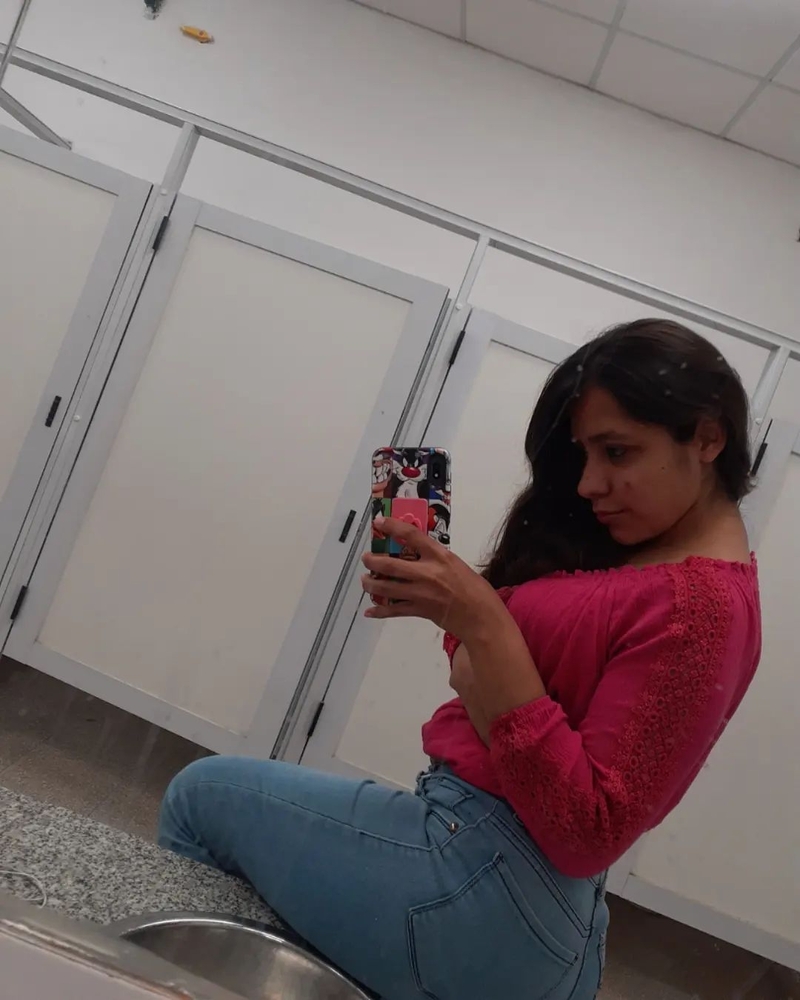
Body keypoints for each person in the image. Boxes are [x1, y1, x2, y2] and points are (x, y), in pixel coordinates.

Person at [159, 319, 761, 1000]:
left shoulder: (702, 606)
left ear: (707, 437)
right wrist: (465, 618)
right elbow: (499, 669)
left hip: (491, 877)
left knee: (201, 798)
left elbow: (588, 832)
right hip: (515, 893)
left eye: (617, 452)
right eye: (584, 455)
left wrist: (483, 623)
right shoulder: (654, 558)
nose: (591, 483)